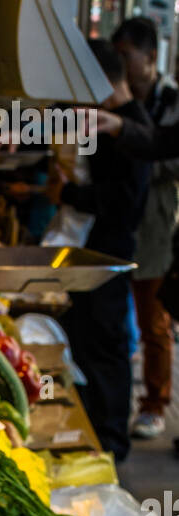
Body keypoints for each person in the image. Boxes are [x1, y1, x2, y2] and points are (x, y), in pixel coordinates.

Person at [46, 41, 150, 464]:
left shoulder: (129, 128)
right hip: (89, 257)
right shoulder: (108, 124)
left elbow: (125, 203)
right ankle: (96, 437)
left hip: (108, 259)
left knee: (105, 350)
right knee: (88, 344)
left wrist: (69, 192)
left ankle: (110, 445)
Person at [112, 17, 179, 440]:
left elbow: (168, 156)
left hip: (155, 224)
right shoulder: (116, 99)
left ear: (151, 55)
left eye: (126, 56)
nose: (123, 64)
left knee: (155, 319)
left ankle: (155, 402)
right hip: (119, 221)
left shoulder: (170, 101)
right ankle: (125, 396)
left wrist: (129, 137)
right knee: (122, 317)